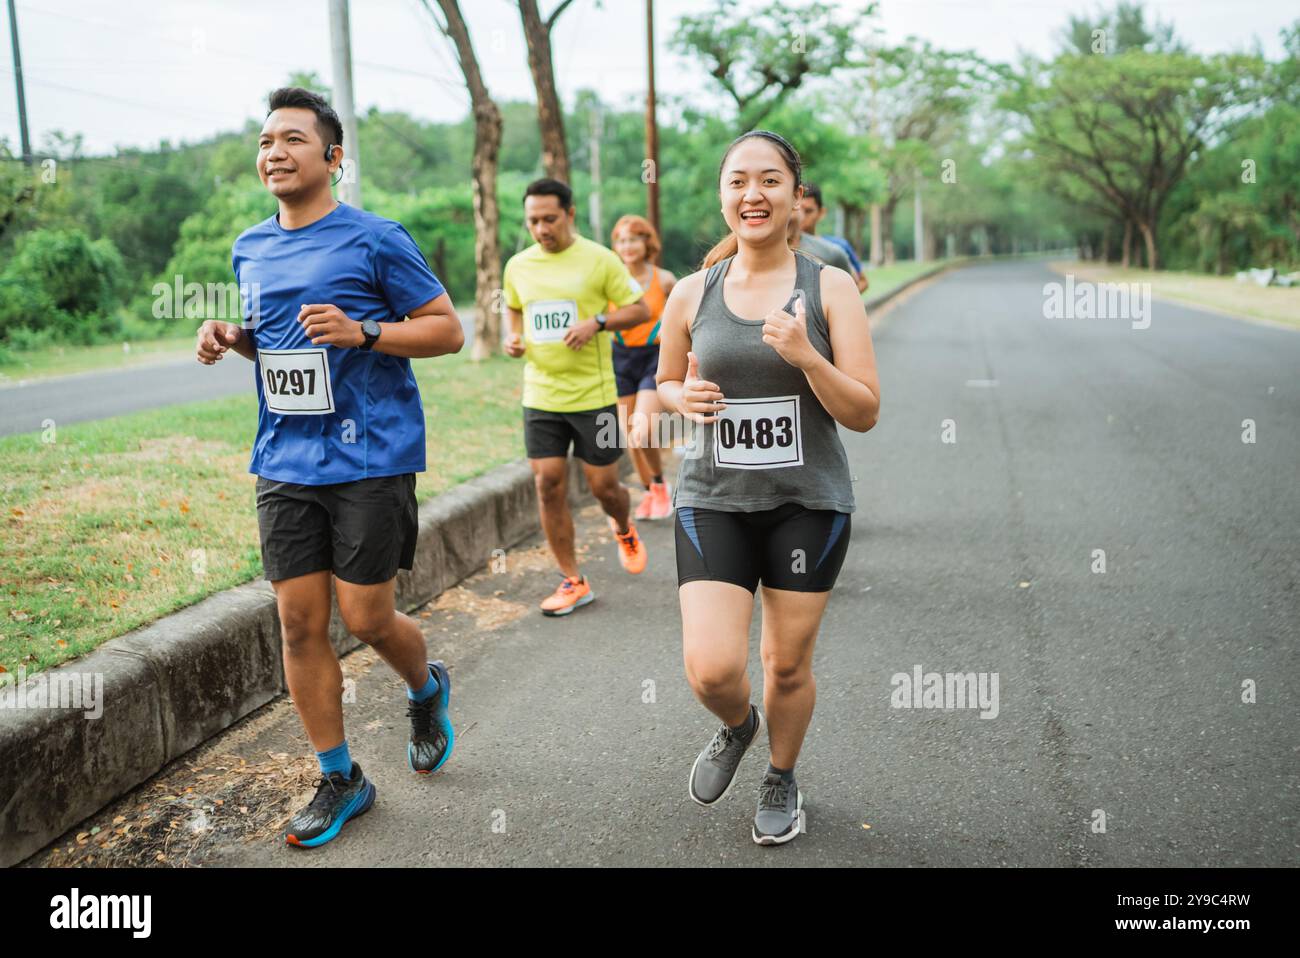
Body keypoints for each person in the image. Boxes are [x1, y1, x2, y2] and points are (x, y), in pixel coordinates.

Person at [195, 87, 465, 848]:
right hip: (284, 455)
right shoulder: (251, 245)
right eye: (264, 142)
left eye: (292, 139)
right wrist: (232, 336)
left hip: (369, 455)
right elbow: (275, 337)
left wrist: (364, 330)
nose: (273, 153)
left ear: (333, 158)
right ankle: (342, 776)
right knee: (297, 620)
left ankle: (425, 685)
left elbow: (448, 331)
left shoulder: (375, 238)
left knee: (366, 617)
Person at [656, 130, 880, 845]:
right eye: (738, 182)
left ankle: (782, 773)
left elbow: (865, 411)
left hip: (806, 505)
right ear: (723, 195)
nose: (753, 194)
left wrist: (807, 356)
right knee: (712, 668)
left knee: (785, 663)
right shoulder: (692, 292)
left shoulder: (830, 287)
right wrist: (677, 400)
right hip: (713, 497)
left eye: (770, 181)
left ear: (794, 198)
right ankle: (736, 725)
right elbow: (662, 382)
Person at [502, 179, 651, 616]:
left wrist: (598, 322)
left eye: (549, 219)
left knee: (605, 487)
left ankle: (623, 525)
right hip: (542, 394)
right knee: (547, 483)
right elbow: (513, 306)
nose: (541, 228)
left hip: (595, 394)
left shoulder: (599, 260)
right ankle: (572, 579)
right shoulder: (518, 266)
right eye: (533, 221)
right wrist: (513, 336)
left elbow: (639, 309)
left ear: (570, 214)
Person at [610, 214, 677, 521]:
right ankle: (651, 490)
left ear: (646, 242)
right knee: (628, 435)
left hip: (654, 356)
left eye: (634, 239)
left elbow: (685, 314)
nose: (627, 246)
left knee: (643, 428)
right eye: (621, 240)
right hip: (620, 357)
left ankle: (660, 484)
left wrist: (673, 331)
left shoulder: (664, 279)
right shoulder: (609, 278)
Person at [799, 183, 869, 293]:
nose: (801, 216)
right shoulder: (778, 247)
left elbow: (862, 282)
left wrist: (838, 305)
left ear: (821, 213)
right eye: (797, 209)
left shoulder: (838, 247)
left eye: (808, 211)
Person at [785, 197, 855, 278]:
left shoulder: (834, 249)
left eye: (808, 211)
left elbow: (855, 282)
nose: (803, 215)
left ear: (821, 212)